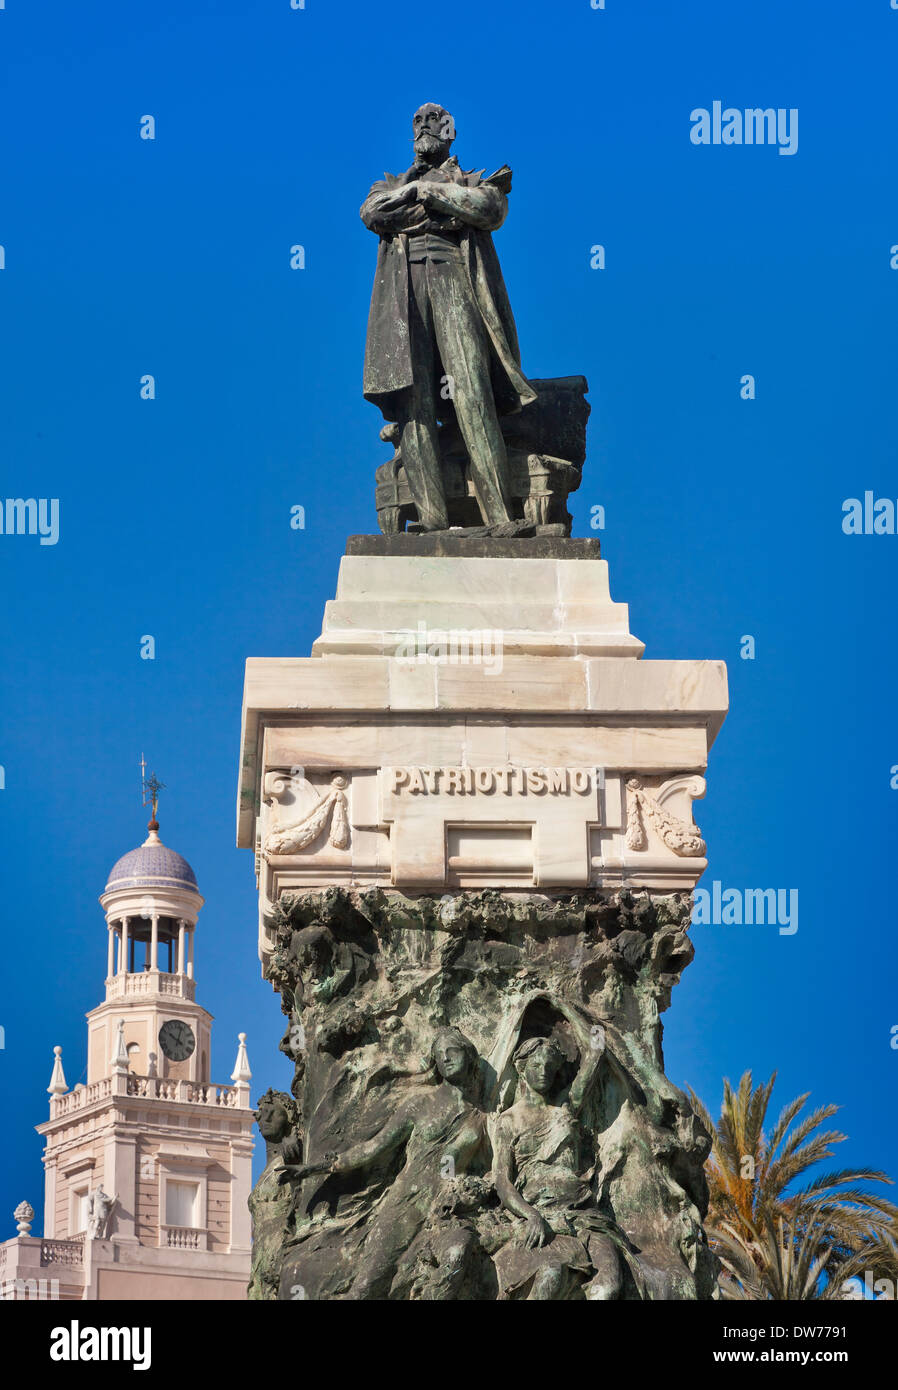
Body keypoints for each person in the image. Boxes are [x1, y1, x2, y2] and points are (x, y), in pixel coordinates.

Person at [361, 103, 536, 531]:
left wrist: (428, 194)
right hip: (404, 294)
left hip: (455, 280)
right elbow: (373, 213)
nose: (424, 127)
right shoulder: (387, 184)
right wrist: (431, 203)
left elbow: (488, 210)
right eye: (417, 122)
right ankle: (433, 520)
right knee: (412, 400)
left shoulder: (474, 179)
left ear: (450, 131)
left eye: (433, 121)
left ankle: (500, 516)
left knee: (472, 390)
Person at [279, 1026, 490, 1299]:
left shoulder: (485, 1112)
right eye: (440, 1055)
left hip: (452, 1207)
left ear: (469, 1054)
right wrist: (313, 1168)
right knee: (368, 1286)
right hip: (410, 1201)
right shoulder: (419, 1105)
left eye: (453, 1051)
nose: (447, 1058)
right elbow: (373, 1148)